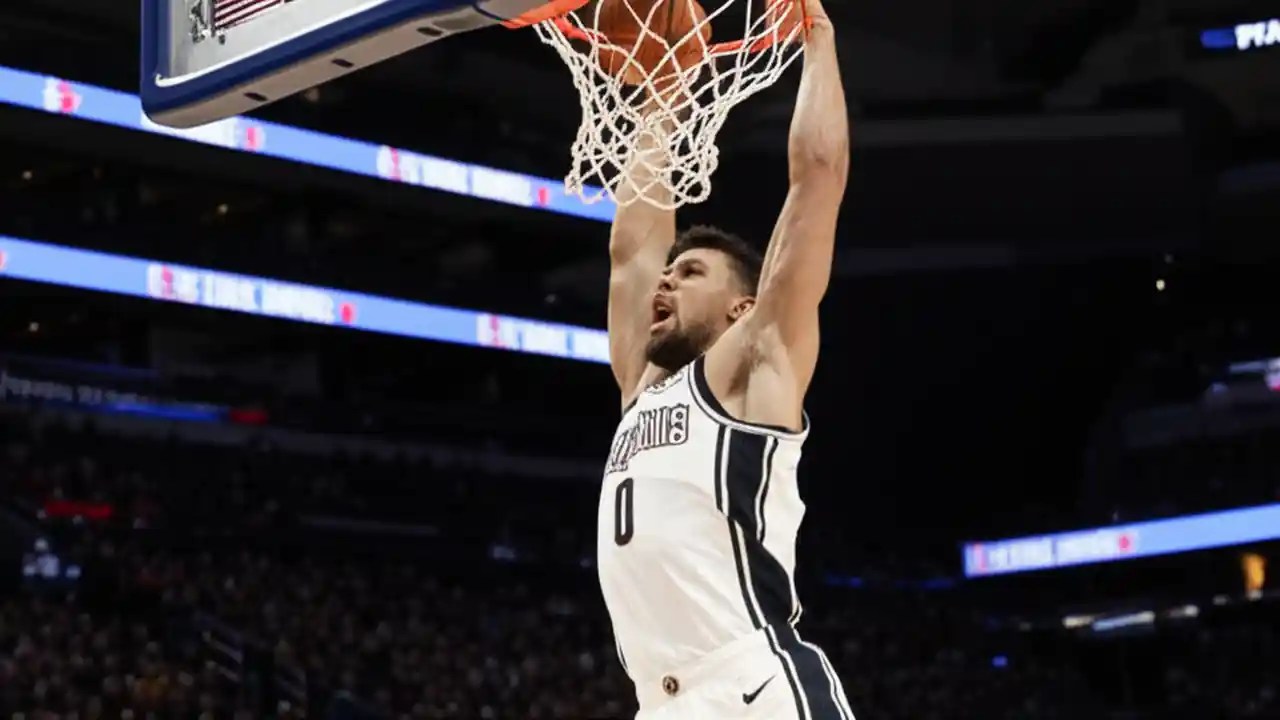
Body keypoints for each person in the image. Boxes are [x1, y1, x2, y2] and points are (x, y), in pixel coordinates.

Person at [598, 0, 853, 717]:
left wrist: (818, 38)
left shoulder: (755, 365)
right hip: (660, 702)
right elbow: (632, 248)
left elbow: (819, 174)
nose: (665, 282)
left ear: (742, 309)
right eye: (669, 273)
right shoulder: (639, 382)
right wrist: (663, 92)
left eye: (691, 274)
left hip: (752, 686)